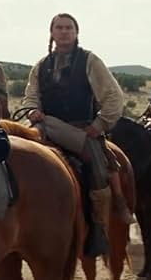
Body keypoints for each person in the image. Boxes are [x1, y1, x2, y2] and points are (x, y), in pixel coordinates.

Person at [22, 13, 135, 256]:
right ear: (51, 32)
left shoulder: (90, 61)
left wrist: (99, 124)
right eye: (59, 28)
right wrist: (32, 110)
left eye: (68, 28)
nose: (64, 32)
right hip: (47, 128)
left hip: (81, 129)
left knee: (98, 170)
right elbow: (31, 95)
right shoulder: (41, 66)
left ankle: (98, 229)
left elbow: (113, 96)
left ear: (76, 32)